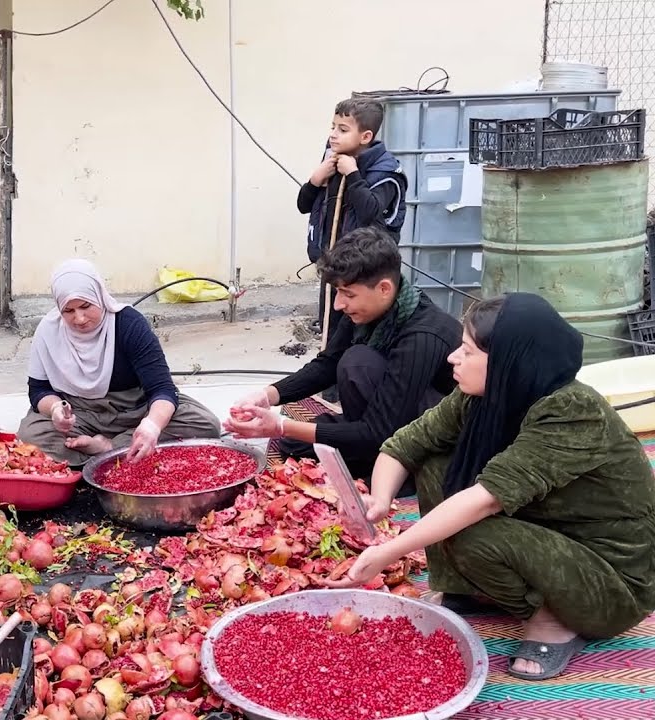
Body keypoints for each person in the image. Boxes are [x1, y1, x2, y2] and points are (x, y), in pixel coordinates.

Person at [327, 293, 655, 681]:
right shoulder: (483, 395)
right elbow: (405, 445)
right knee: (436, 466)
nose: (453, 358)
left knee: (468, 532)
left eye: (467, 351)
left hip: (611, 581)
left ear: (507, 362)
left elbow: (485, 500)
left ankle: (551, 621)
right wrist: (380, 500)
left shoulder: (570, 412)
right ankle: (466, 587)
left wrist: (389, 551)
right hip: (554, 535)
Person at [223, 227, 460, 485]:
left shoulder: (423, 335)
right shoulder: (367, 309)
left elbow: (379, 431)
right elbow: (328, 363)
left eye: (348, 294)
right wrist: (267, 395)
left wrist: (281, 425)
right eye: (338, 291)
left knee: (356, 363)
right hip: (382, 415)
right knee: (294, 443)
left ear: (384, 288)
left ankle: (394, 470)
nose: (338, 304)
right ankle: (356, 445)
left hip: (422, 432)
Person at [17, 259, 221, 466]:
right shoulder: (48, 331)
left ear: (99, 296)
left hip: (135, 409)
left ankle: (108, 449)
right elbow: (38, 390)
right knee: (31, 435)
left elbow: (162, 388)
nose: (79, 318)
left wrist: (152, 426)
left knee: (204, 424)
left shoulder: (128, 324)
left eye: (86, 306)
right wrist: (55, 409)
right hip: (80, 414)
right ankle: (121, 451)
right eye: (68, 311)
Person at [299, 96, 408, 341]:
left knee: (358, 333)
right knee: (331, 328)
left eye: (343, 129)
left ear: (365, 136)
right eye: (333, 127)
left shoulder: (385, 170)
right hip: (334, 263)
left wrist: (353, 175)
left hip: (365, 270)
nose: (333, 135)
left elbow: (371, 212)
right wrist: (315, 180)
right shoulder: (332, 161)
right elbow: (303, 205)